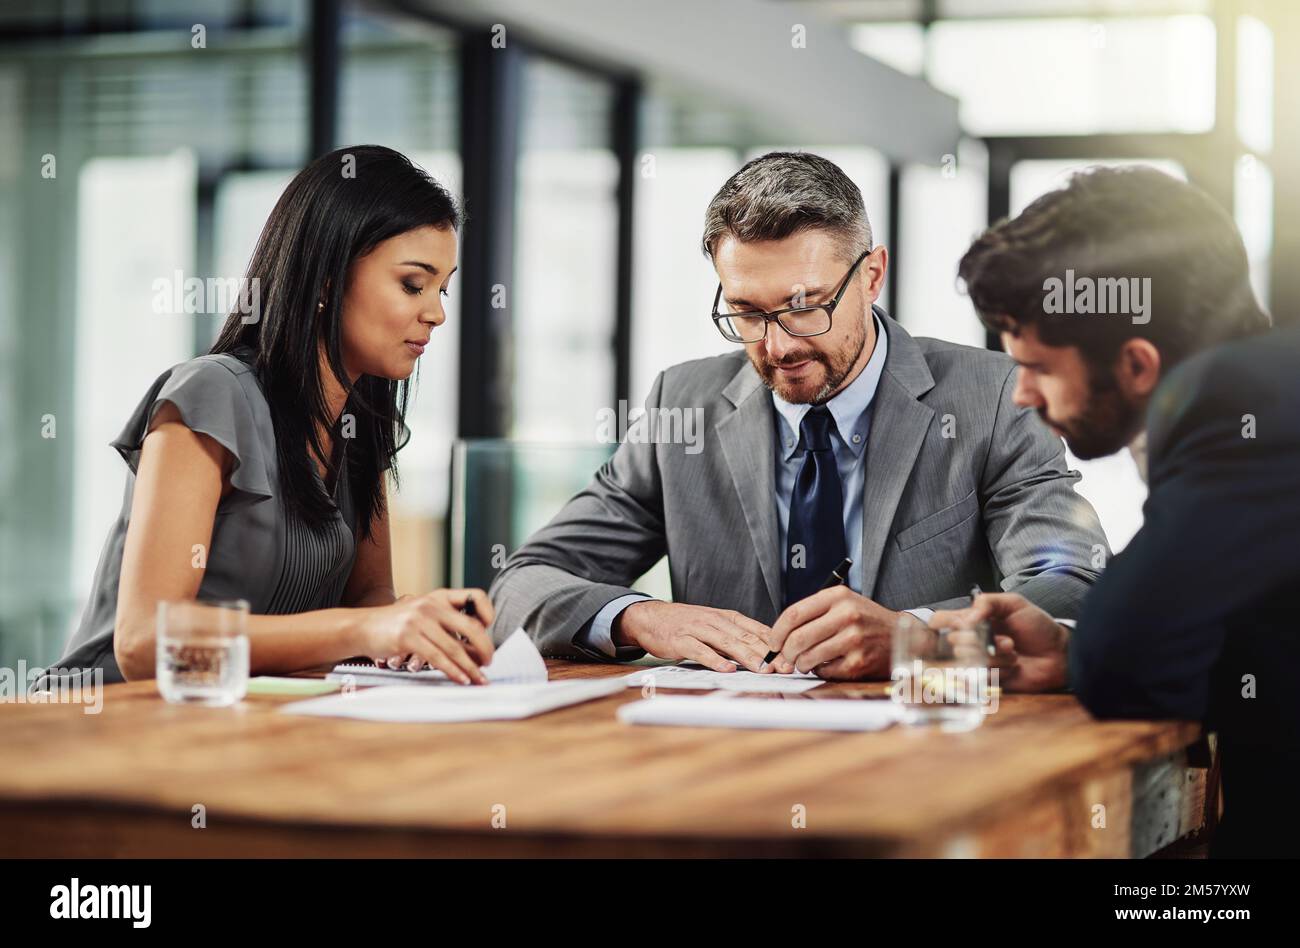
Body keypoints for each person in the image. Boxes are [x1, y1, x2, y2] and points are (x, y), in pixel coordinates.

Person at [490, 152, 1108, 680]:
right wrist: (639, 616)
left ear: (871, 276)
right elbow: (521, 584)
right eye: (747, 312)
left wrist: (914, 636)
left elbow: (1067, 581)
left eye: (805, 306)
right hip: (735, 755)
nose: (778, 346)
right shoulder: (682, 406)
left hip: (929, 750)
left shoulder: (994, 396)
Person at [936, 164, 1294, 857]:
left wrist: (1094, 652)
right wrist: (1073, 652)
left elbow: (1127, 660)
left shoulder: (1236, 406)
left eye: (1037, 367)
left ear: (1137, 364)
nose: (1020, 397)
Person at [45, 145, 494, 687]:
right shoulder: (212, 394)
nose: (437, 312)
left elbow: (368, 598)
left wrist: (411, 629)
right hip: (110, 721)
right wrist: (367, 630)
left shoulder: (360, 423)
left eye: (442, 288)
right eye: (412, 284)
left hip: (241, 726)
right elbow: (143, 641)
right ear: (327, 279)